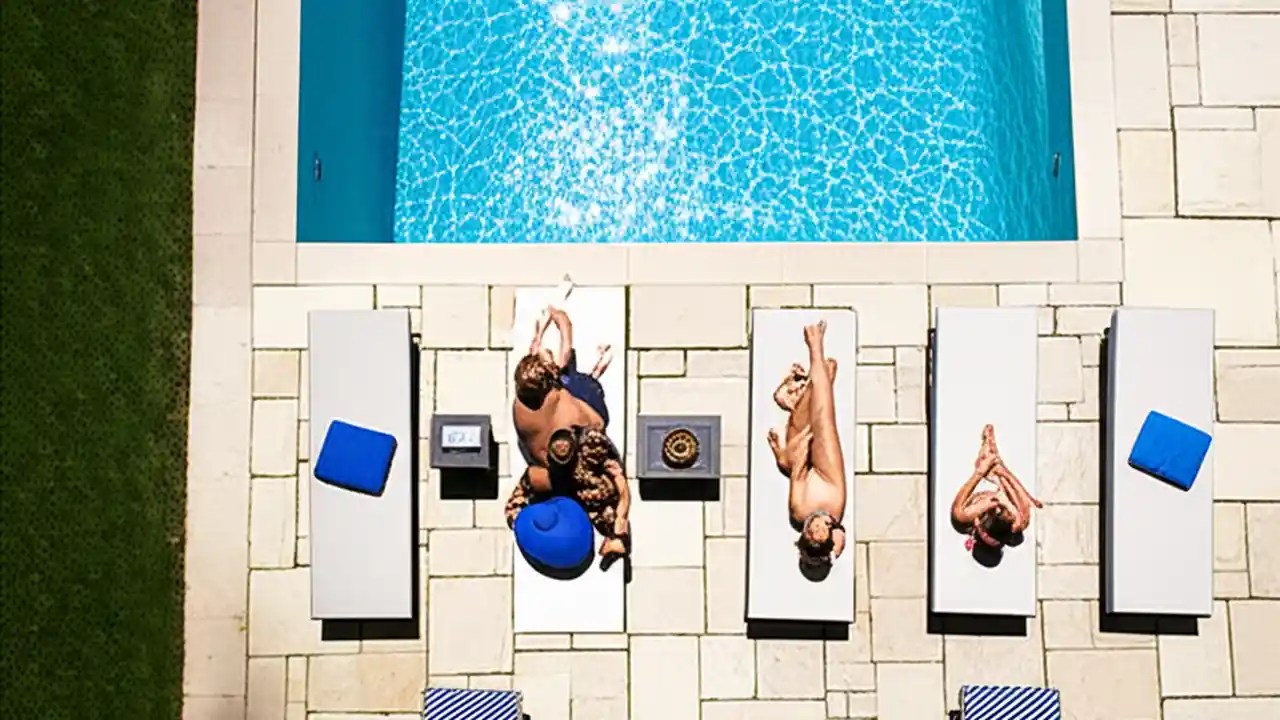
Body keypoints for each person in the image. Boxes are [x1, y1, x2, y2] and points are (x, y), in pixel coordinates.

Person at [766, 320, 848, 569]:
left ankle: (810, 385)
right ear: (829, 531)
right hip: (829, 479)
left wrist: (803, 437)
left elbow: (799, 471)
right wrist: (816, 429)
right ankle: (815, 361)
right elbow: (838, 545)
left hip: (804, 470)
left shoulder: (799, 512)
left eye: (811, 531)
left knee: (811, 418)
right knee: (825, 415)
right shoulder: (834, 515)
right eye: (820, 530)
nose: (815, 526)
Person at [512, 295, 613, 495]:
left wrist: (542, 330)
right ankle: (595, 372)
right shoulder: (564, 394)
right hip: (580, 407)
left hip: (555, 447)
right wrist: (555, 316)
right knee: (582, 386)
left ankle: (595, 371)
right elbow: (598, 422)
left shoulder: (523, 404)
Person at [505, 426, 631, 559]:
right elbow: (513, 506)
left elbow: (619, 478)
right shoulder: (540, 475)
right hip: (569, 514)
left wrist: (619, 530)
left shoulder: (592, 445)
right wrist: (531, 526)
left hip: (600, 505)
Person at [950, 424, 1043, 550]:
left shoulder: (965, 518)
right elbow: (1015, 493)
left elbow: (958, 512)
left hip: (978, 511)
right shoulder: (1018, 522)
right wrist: (1000, 469)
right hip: (1001, 508)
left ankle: (993, 466)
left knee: (963, 516)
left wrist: (980, 472)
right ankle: (994, 465)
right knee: (1020, 515)